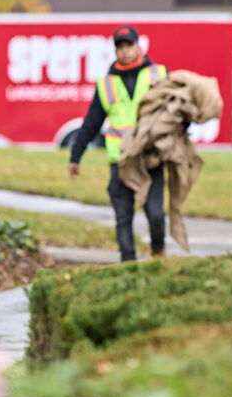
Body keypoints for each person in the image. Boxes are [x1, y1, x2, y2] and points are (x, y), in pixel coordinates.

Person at [69, 25, 168, 262]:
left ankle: (158, 251)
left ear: (138, 46)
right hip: (120, 161)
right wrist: (75, 155)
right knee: (123, 217)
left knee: (155, 214)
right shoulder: (106, 84)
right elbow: (91, 123)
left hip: (150, 158)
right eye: (120, 46)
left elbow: (177, 110)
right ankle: (128, 263)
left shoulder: (158, 74)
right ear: (115, 51)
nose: (124, 51)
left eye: (128, 45)